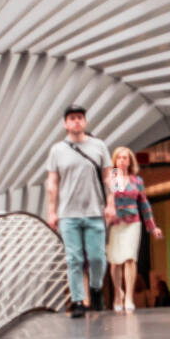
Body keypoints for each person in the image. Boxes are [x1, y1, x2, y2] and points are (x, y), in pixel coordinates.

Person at [46, 104, 114, 318]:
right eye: (72, 118)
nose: (76, 121)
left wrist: (112, 204)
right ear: (65, 123)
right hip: (68, 214)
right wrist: (51, 211)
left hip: (95, 212)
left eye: (80, 117)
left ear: (85, 122)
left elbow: (110, 176)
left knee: (97, 257)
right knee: (73, 259)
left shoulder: (99, 146)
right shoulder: (57, 150)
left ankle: (95, 288)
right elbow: (52, 182)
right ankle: (77, 300)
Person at [106, 146, 163, 313]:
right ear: (115, 161)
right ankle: (118, 293)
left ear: (130, 161)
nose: (122, 160)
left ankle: (129, 296)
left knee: (130, 258)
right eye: (119, 158)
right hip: (116, 224)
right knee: (115, 261)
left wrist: (152, 227)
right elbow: (109, 198)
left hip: (133, 223)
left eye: (125, 158)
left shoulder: (137, 181)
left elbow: (144, 204)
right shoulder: (113, 177)